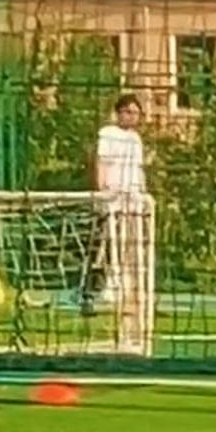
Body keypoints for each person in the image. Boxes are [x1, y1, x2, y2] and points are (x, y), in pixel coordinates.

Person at [86, 95, 147, 314]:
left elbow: (139, 169)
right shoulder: (108, 134)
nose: (133, 117)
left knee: (132, 243)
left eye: (136, 113)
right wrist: (102, 191)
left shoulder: (136, 139)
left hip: (132, 200)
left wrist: (142, 192)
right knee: (108, 243)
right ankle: (102, 287)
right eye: (129, 112)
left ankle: (130, 285)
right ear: (119, 112)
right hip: (113, 197)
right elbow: (101, 163)